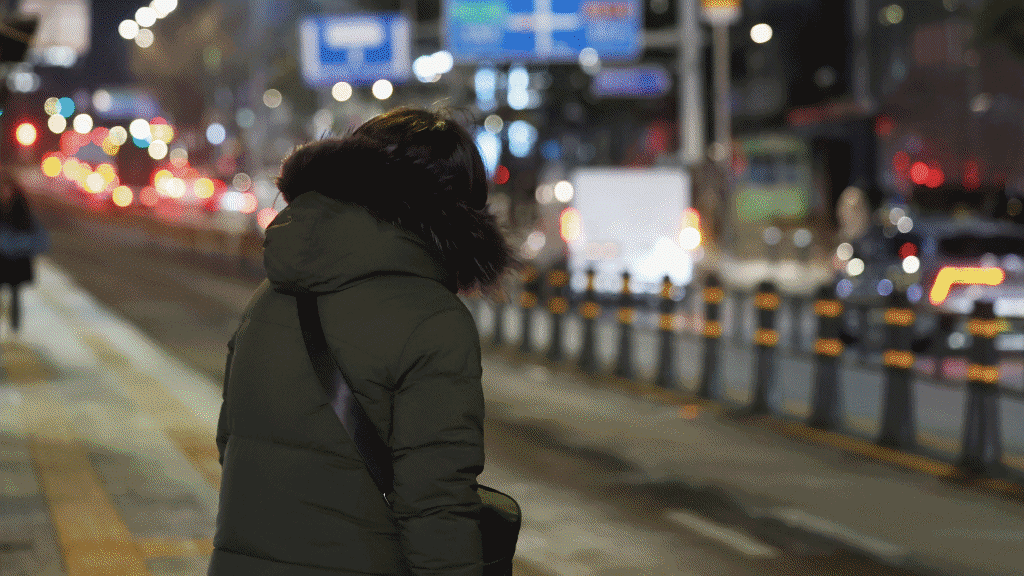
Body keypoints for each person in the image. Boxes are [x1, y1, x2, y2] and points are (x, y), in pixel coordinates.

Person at [209, 107, 516, 576]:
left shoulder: (268, 299)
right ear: (461, 213)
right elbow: (436, 509)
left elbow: (232, 445)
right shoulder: (435, 321)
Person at [0, 171, 49, 337]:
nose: (5, 193)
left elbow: (39, 236)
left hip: (16, 261)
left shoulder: (22, 209)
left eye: (8, 189)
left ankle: (14, 330)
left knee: (15, 294)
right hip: (2, 259)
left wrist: (22, 245)